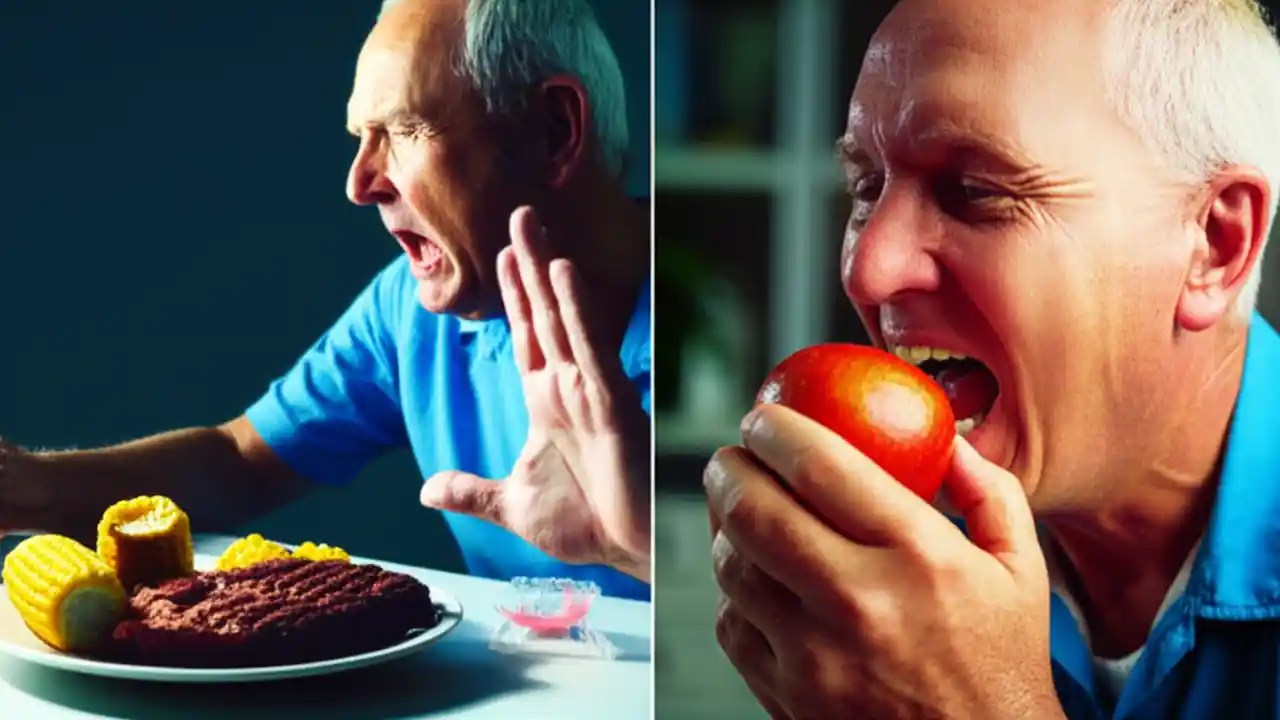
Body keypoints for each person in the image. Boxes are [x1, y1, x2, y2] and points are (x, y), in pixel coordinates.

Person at [705, 0, 1280, 716]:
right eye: (865, 187)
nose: (867, 270)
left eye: (974, 192)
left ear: (1214, 244)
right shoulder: (883, 577)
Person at [0, 0, 651, 601]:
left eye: (403, 128)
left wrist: (637, 547)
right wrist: (33, 486)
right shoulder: (410, 311)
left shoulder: (723, 351)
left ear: (554, 130)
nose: (360, 183)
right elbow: (240, 463)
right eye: (359, 137)